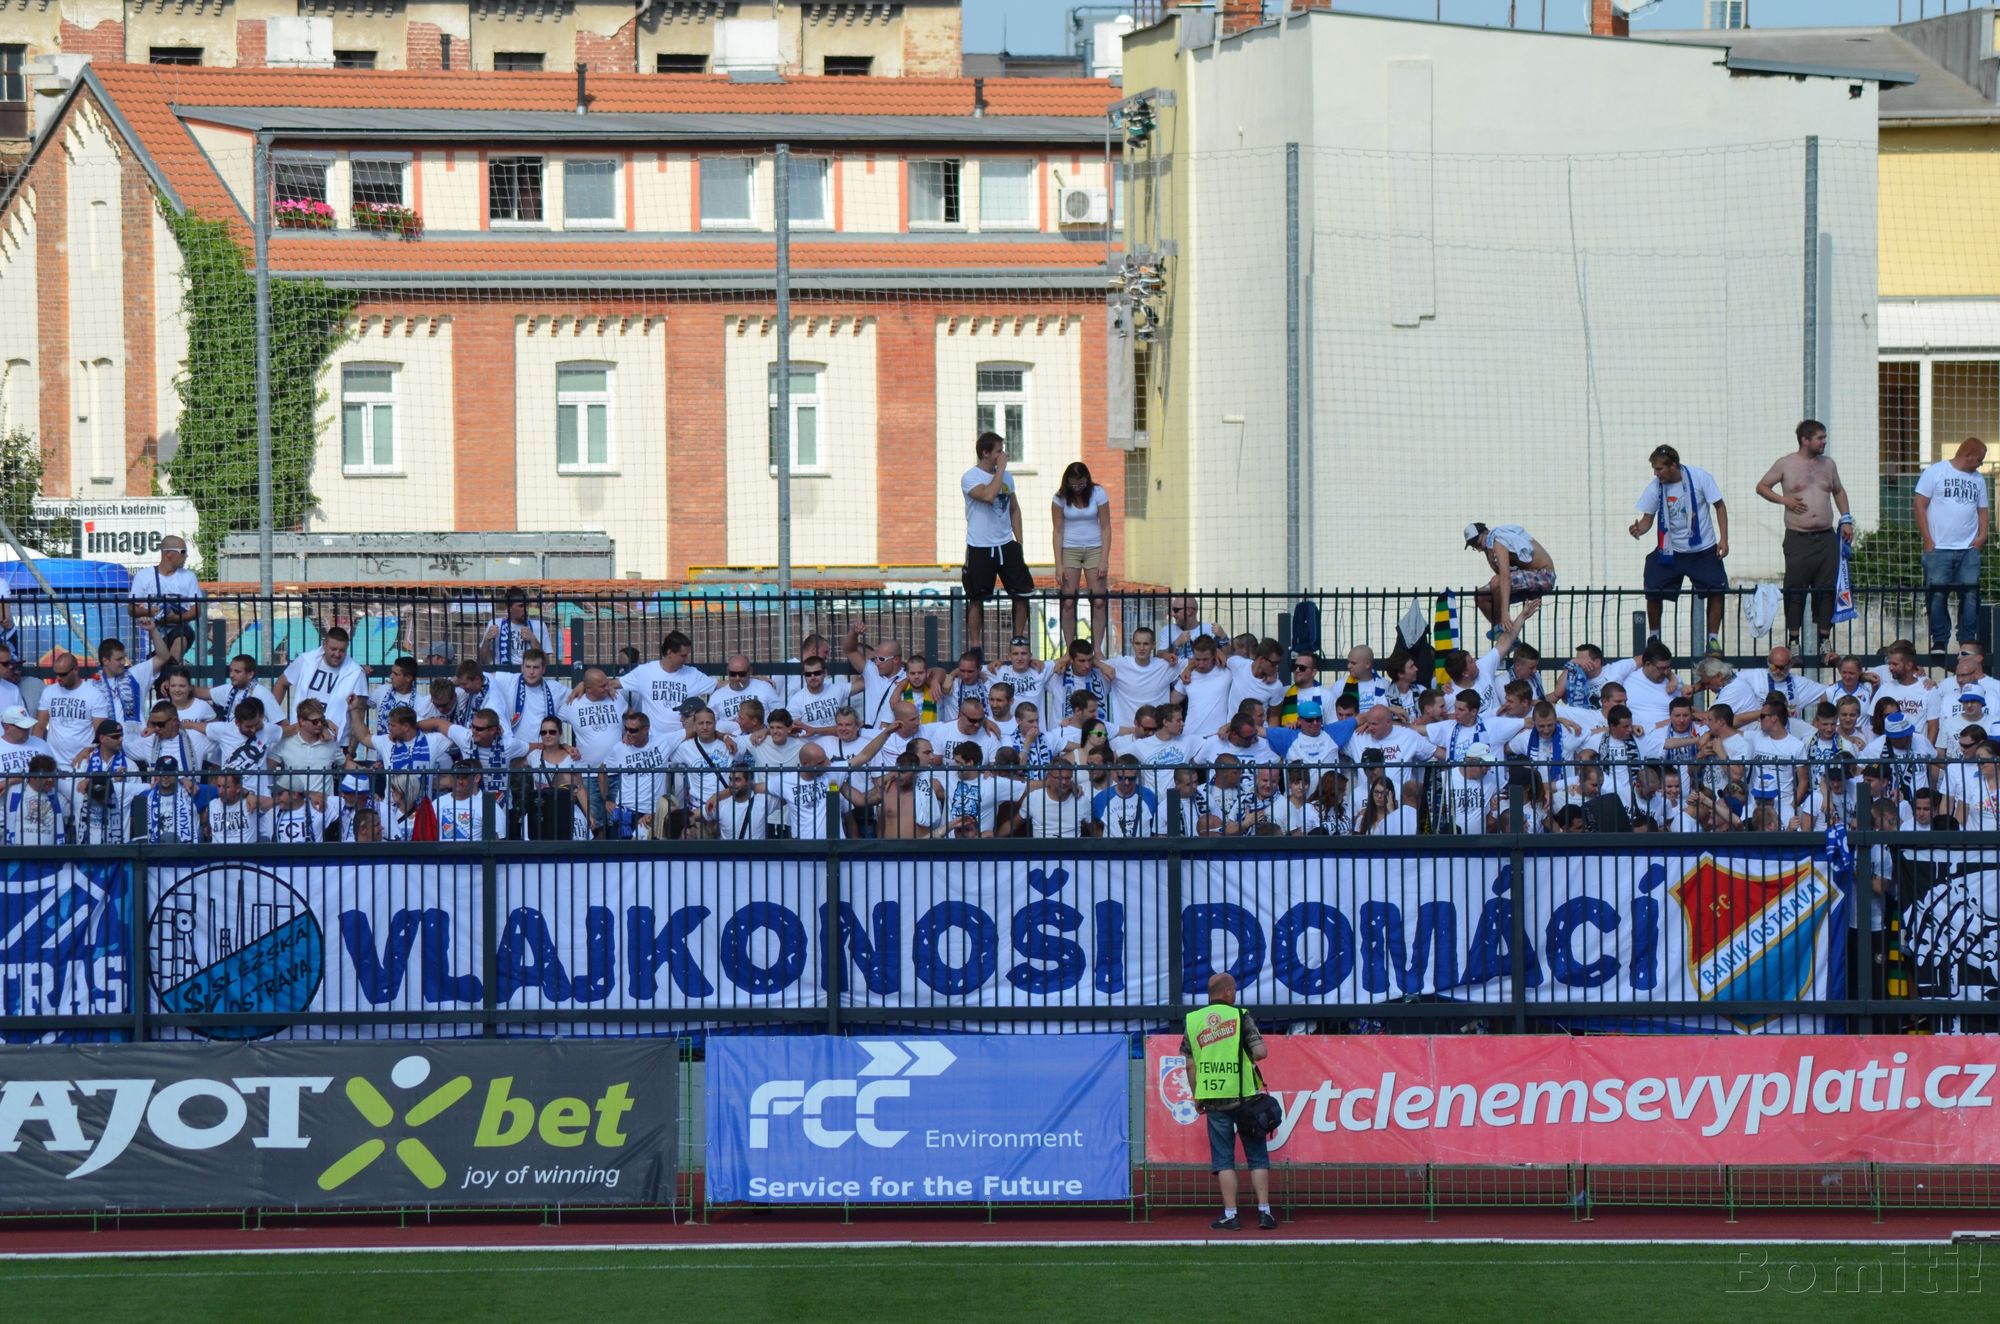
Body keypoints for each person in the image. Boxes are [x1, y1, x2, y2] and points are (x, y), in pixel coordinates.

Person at [1181, 972, 1274, 1231]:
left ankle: (1231, 1215)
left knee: (1223, 1160)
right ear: (1229, 992)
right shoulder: (1241, 1016)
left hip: (1213, 1099)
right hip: (1246, 1099)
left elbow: (1189, 1064)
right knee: (1257, 1156)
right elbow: (1260, 1052)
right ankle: (1265, 1213)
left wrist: (1197, 1095)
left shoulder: (1193, 1021)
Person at [1755, 419, 1853, 659]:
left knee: (1827, 589)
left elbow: (1838, 490)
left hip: (1826, 536)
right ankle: (1794, 640)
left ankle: (1824, 640)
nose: (1824, 442)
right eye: (1820, 438)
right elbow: (1762, 486)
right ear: (1805, 440)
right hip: (1798, 537)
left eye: (1824, 437)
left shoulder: (1828, 464)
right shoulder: (1786, 463)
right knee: (1795, 590)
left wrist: (1846, 518)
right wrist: (1784, 500)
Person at [1629, 444, 1730, 654]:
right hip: (1669, 551)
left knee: (1717, 589)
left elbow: (1719, 506)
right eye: (1654, 469)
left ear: (1673, 465)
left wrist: (1724, 539)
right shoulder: (1655, 487)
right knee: (1652, 587)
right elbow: (1648, 519)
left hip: (1702, 549)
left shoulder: (1699, 477)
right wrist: (1639, 529)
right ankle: (1654, 638)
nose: (1656, 474)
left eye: (1659, 469)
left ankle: (1713, 641)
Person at [1914, 437, 1990, 657]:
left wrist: (1982, 536)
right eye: (1979, 459)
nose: (1981, 464)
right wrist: (1928, 540)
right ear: (1967, 455)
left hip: (1968, 549)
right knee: (1937, 594)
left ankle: (1966, 640)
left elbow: (1982, 510)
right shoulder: (1935, 472)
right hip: (1939, 548)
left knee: (1970, 594)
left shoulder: (1978, 479)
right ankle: (1939, 641)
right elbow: (1919, 505)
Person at [961, 430, 1035, 646]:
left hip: (1006, 544)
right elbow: (988, 495)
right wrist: (1001, 469)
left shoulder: (1007, 477)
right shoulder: (971, 477)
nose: (1003, 455)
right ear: (985, 453)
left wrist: (1018, 542)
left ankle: (1018, 639)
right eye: (998, 451)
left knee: (1022, 593)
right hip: (980, 545)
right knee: (976, 597)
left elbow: (1014, 509)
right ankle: (976, 646)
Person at [1051, 460, 1111, 646]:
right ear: (1067, 482)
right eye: (1073, 483)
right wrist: (1058, 564)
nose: (1077, 487)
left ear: (1087, 480)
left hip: (1095, 548)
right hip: (1070, 549)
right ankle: (1070, 649)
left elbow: (1106, 526)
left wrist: (1104, 559)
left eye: (1081, 483)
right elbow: (1058, 531)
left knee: (1099, 601)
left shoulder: (1098, 493)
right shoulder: (1059, 498)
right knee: (1068, 601)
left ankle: (1097, 649)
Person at [1463, 521, 1556, 635]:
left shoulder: (1497, 541)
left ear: (1486, 532)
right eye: (1474, 547)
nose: (1478, 548)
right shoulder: (1489, 549)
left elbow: (1505, 577)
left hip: (1544, 575)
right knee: (1480, 597)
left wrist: (1505, 613)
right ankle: (1504, 634)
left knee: (1496, 581)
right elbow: (1503, 575)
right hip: (1529, 576)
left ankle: (1503, 626)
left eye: (1477, 543)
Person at [127, 535, 203, 663]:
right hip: (153, 637)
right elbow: (131, 609)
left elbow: (197, 610)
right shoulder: (144, 576)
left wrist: (175, 618)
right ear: (168, 554)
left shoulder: (188, 577)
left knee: (182, 634)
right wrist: (152, 612)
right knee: (160, 674)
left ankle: (172, 669)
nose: (186, 556)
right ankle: (170, 673)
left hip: (179, 631)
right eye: (183, 552)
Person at [479, 589, 553, 667]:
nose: (525, 609)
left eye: (526, 605)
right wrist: (487, 641)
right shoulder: (495, 624)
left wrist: (533, 640)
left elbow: (546, 663)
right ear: (509, 607)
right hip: (503, 675)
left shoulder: (539, 626)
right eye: (520, 606)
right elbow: (483, 661)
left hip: (528, 675)